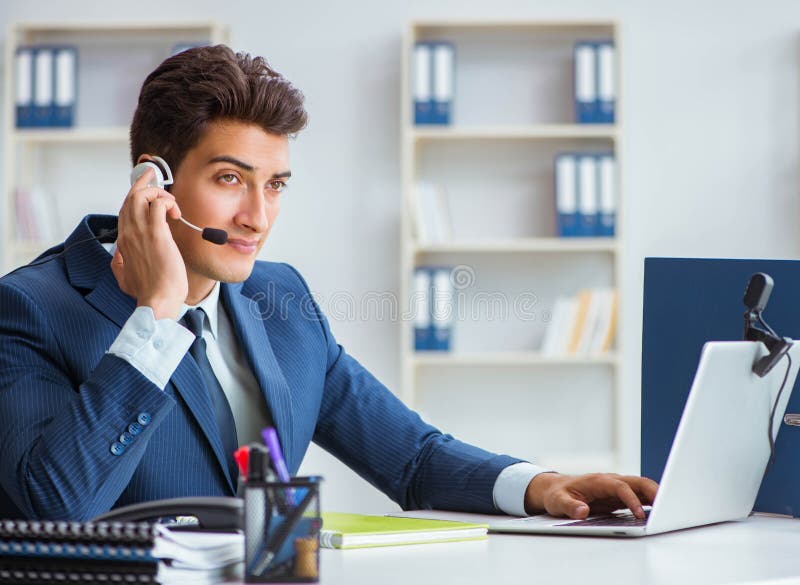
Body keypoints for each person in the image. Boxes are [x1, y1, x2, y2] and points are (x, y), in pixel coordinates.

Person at [0, 45, 657, 521]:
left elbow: (410, 457)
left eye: (275, 185)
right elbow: (54, 504)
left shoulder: (279, 298)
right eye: (230, 179)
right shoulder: (29, 308)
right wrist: (157, 314)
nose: (258, 217)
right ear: (153, 182)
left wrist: (541, 486)